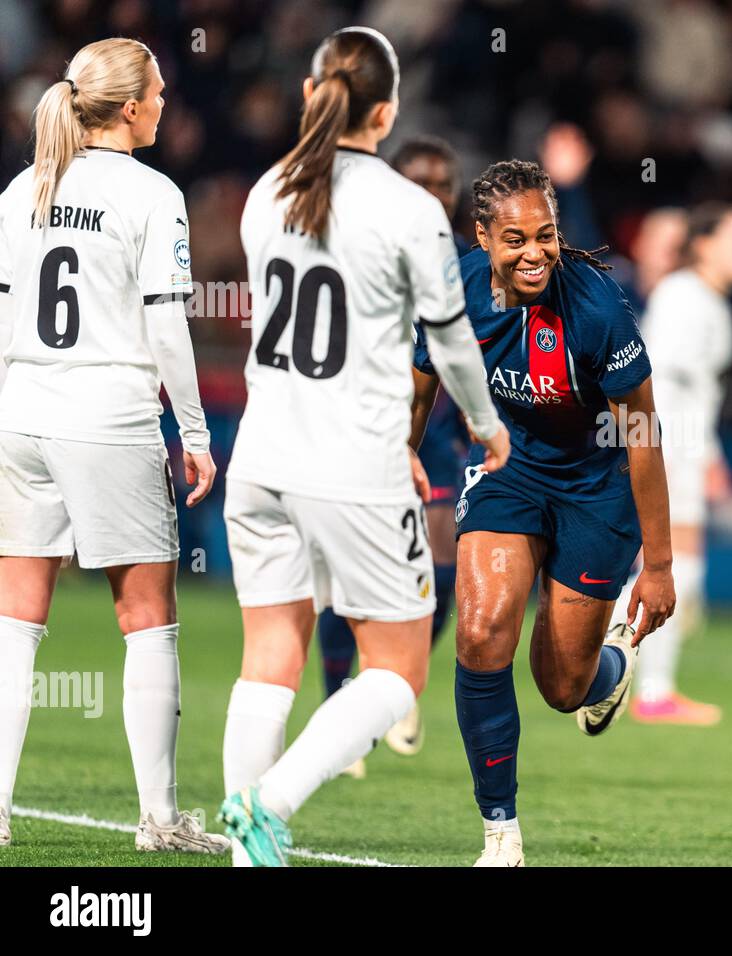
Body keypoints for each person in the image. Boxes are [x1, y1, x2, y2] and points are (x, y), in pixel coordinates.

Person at [217, 27, 507, 866]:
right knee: (397, 668)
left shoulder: (266, 190)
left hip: (262, 457)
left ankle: (248, 850)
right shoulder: (410, 210)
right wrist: (488, 429)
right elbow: (451, 343)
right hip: (354, 464)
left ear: (313, 95)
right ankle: (267, 805)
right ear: (386, 112)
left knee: (269, 653)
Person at [0, 38, 225, 853]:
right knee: (148, 619)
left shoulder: (22, 188)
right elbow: (167, 324)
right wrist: (194, 434)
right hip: (109, 420)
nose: (166, 102)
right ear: (130, 107)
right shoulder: (153, 193)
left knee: (14, 622)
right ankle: (159, 820)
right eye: (158, 91)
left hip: (20, 414)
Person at [450, 159, 675, 866]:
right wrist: (400, 459)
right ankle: (501, 835)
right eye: (515, 238)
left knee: (561, 687)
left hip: (594, 491)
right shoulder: (454, 290)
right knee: (484, 628)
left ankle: (609, 668)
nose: (535, 253)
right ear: (481, 237)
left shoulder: (598, 309)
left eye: (545, 235)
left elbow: (642, 434)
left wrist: (660, 567)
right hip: (508, 470)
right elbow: (422, 373)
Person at [315, 135, 472, 775]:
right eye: (421, 182)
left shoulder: (465, 263)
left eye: (444, 184)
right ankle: (338, 708)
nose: (434, 193)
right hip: (357, 429)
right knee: (348, 578)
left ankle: (396, 683)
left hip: (436, 439)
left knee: (446, 574)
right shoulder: (356, 252)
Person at [614, 203, 732, 725]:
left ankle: (637, 680)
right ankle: (624, 677)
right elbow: (652, 381)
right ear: (703, 244)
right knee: (675, 568)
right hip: (669, 443)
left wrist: (709, 453)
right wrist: (670, 454)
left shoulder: (706, 300)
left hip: (683, 444)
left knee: (675, 570)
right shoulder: (685, 297)